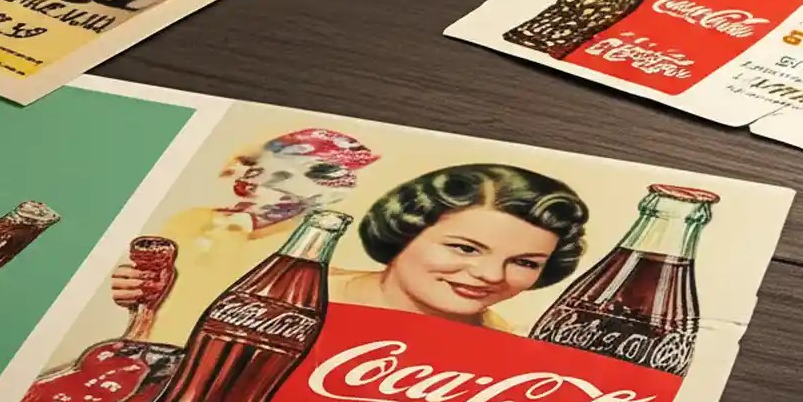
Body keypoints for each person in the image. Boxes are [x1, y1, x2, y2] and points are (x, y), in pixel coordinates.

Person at [110, 128, 378, 345]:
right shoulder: (190, 221)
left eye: (282, 175)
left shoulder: (307, 258)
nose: (252, 178)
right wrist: (133, 291)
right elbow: (151, 300)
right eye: (256, 166)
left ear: (326, 195)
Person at [330, 164, 589, 332]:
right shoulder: (311, 289)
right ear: (403, 232)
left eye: (525, 262)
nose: (492, 275)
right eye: (466, 248)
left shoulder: (507, 346)